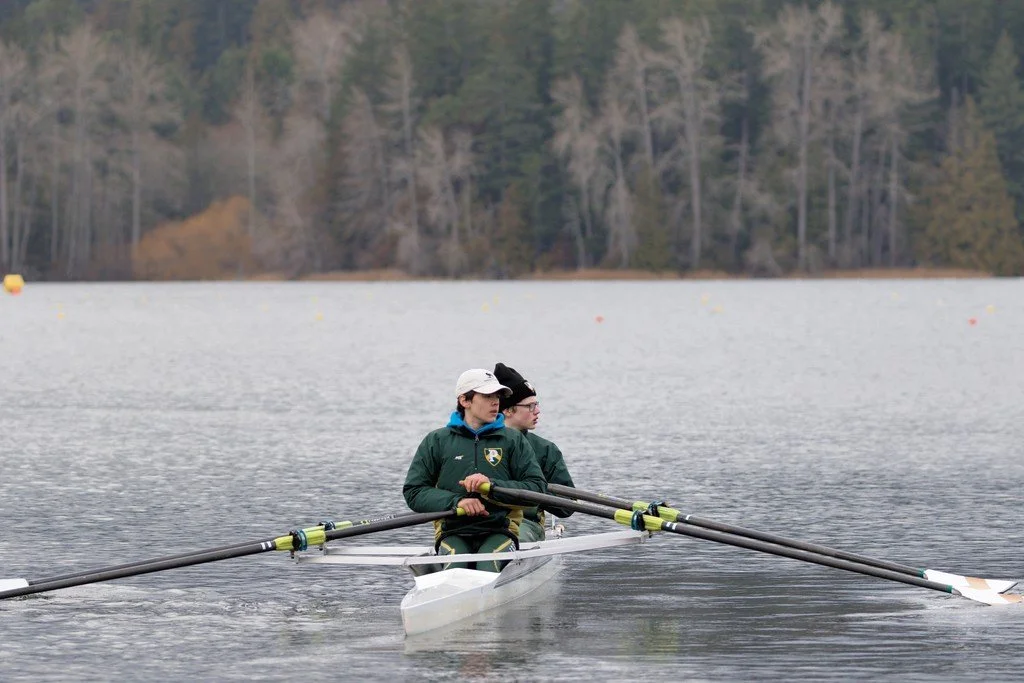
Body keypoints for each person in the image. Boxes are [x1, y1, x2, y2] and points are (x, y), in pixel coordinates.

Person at [403, 368, 547, 572]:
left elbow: (537, 489)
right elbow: (414, 491)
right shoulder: (436, 441)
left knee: (488, 565)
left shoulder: (513, 441)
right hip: (452, 532)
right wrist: (457, 501)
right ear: (465, 401)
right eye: (488, 396)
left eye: (497, 395)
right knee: (456, 566)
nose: (496, 401)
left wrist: (490, 487)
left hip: (500, 530)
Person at [492, 363, 575, 542]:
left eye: (536, 405)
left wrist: (534, 489)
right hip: (479, 521)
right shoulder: (475, 443)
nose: (537, 411)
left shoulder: (545, 450)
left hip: (525, 524)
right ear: (506, 410)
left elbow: (567, 506)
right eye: (530, 406)